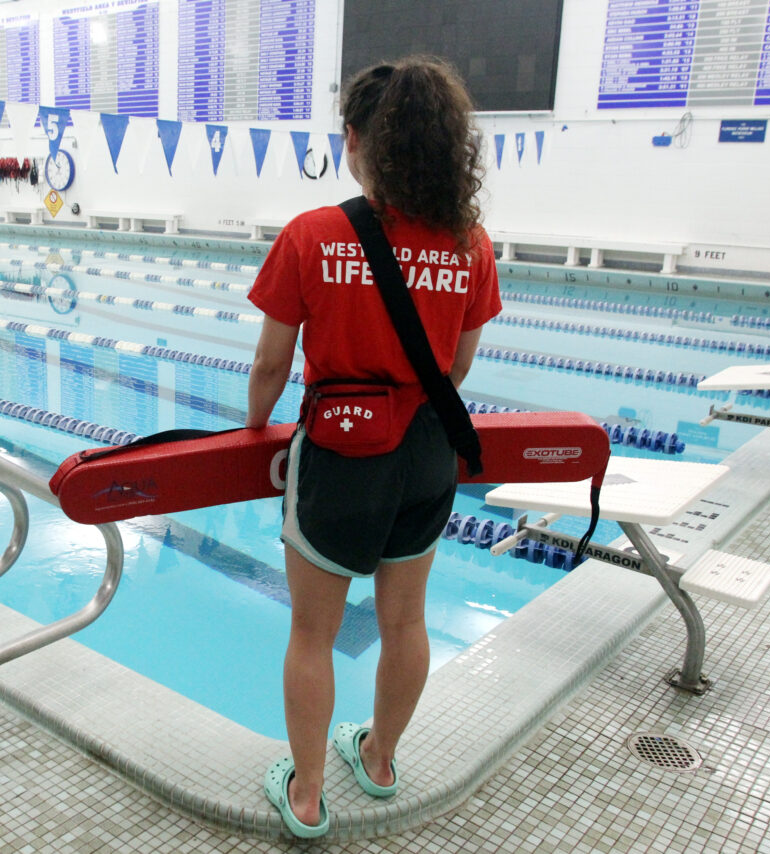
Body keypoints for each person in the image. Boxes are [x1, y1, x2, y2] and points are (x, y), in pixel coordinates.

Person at [245, 56, 501, 839]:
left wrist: (256, 432)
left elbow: (270, 365)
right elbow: (456, 367)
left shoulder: (312, 234)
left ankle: (308, 794)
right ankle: (381, 760)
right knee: (406, 623)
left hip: (339, 456)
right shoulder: (470, 243)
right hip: (425, 456)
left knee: (313, 633)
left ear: (358, 140)